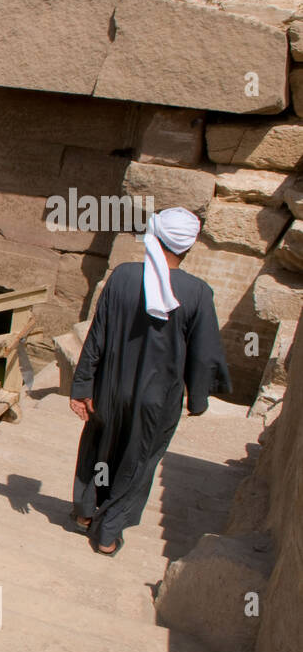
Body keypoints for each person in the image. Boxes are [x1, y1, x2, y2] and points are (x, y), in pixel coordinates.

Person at [69, 206, 231, 556]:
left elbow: (97, 336)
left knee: (100, 450)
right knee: (137, 463)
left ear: (155, 237)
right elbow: (204, 356)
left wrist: (82, 386)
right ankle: (108, 533)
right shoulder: (198, 293)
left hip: (108, 390)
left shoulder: (124, 276)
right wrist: (198, 399)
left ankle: (85, 513)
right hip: (156, 402)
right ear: (188, 248)